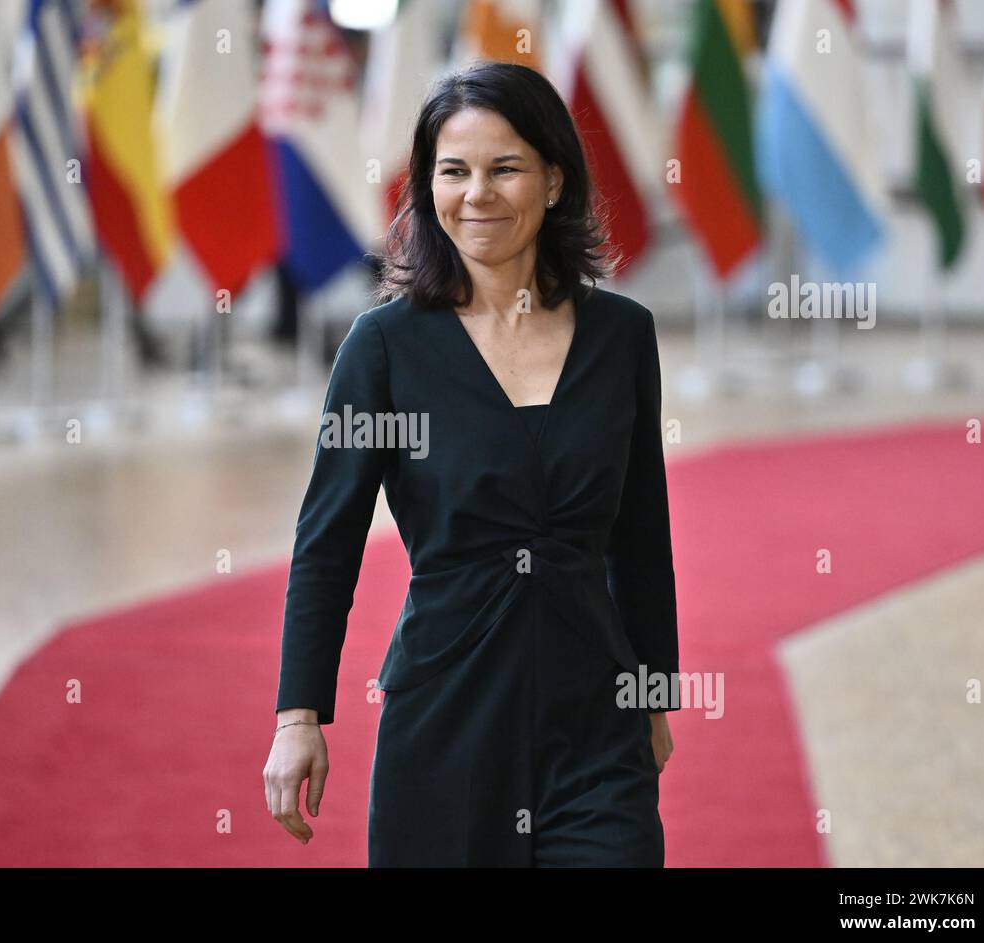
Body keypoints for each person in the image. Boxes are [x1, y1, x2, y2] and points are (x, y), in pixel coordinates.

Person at [263, 61, 681, 867]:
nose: (477, 193)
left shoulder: (623, 335)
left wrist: (654, 690)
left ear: (554, 181)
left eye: (505, 168)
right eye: (453, 171)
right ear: (427, 188)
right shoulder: (380, 348)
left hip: (596, 724)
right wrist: (298, 715)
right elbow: (326, 543)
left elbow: (642, 529)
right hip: (443, 720)